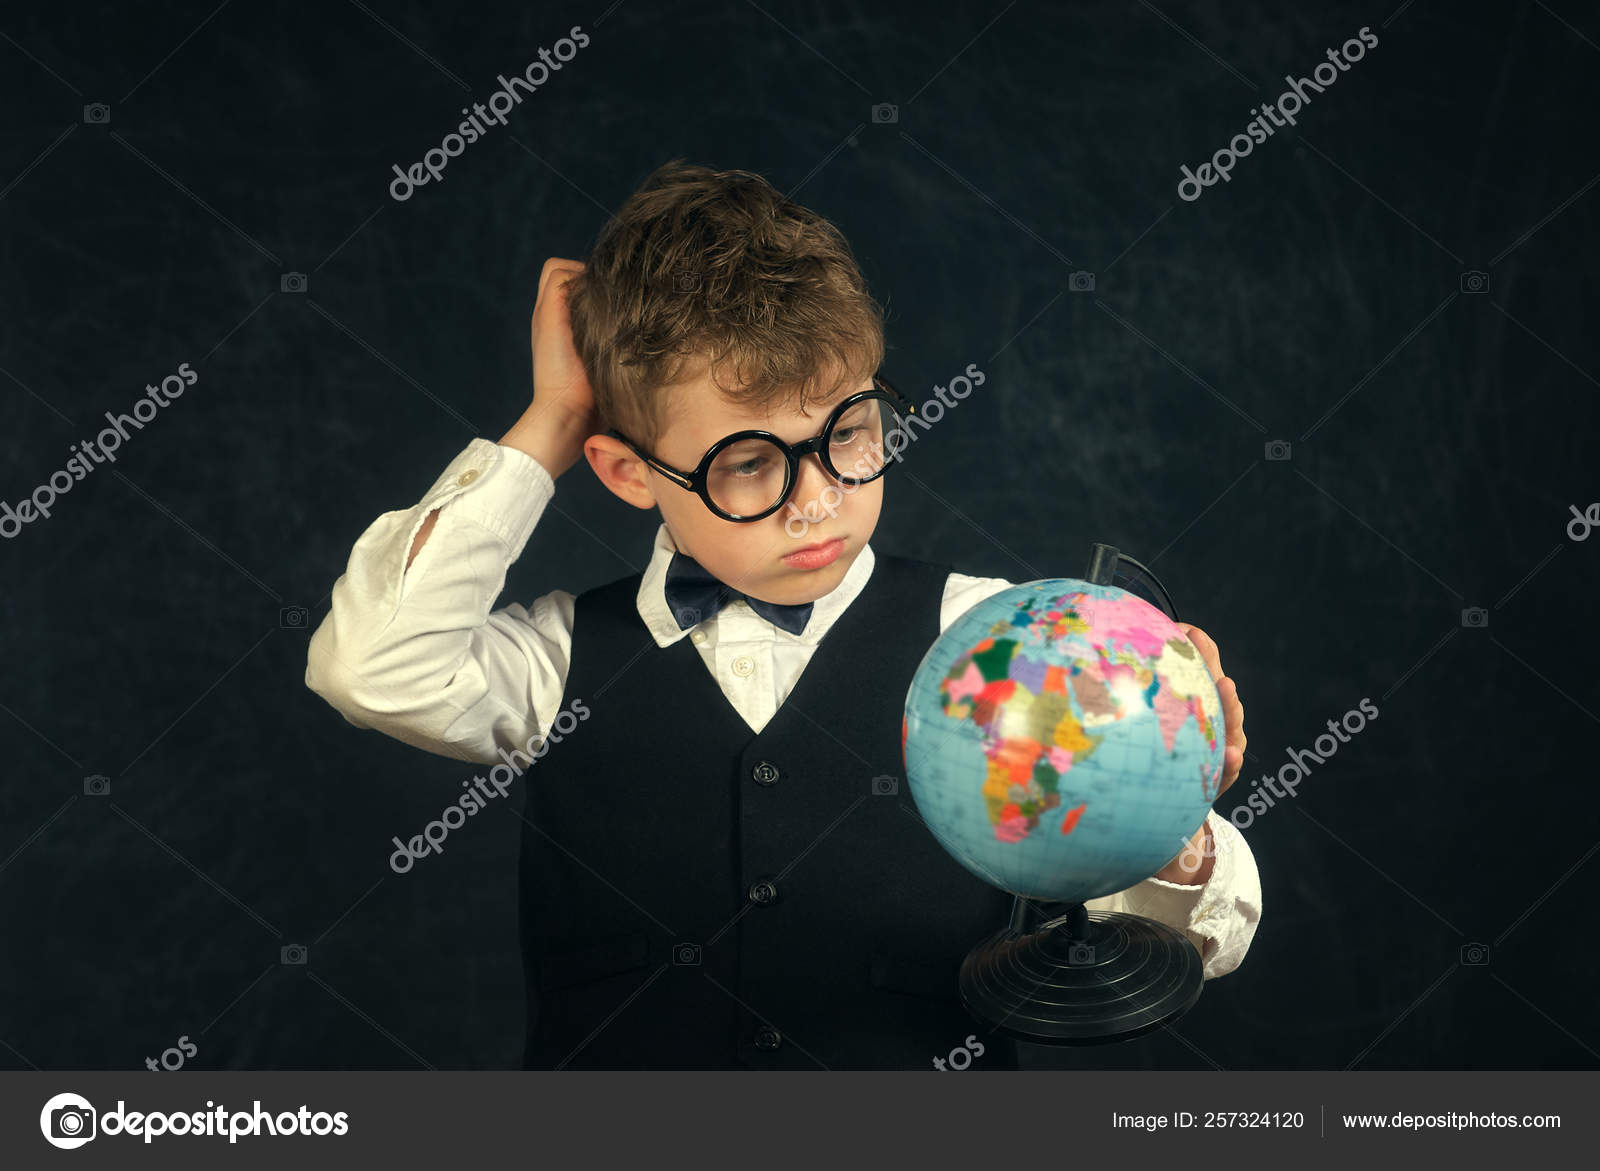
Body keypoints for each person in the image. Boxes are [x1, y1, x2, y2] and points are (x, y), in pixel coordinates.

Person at [305, 160, 1261, 1071]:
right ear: (626, 471)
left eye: (848, 433)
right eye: (750, 463)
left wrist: (1173, 821)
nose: (816, 501)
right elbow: (370, 665)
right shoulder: (557, 660)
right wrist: (550, 421)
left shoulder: (991, 640)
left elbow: (1196, 941)